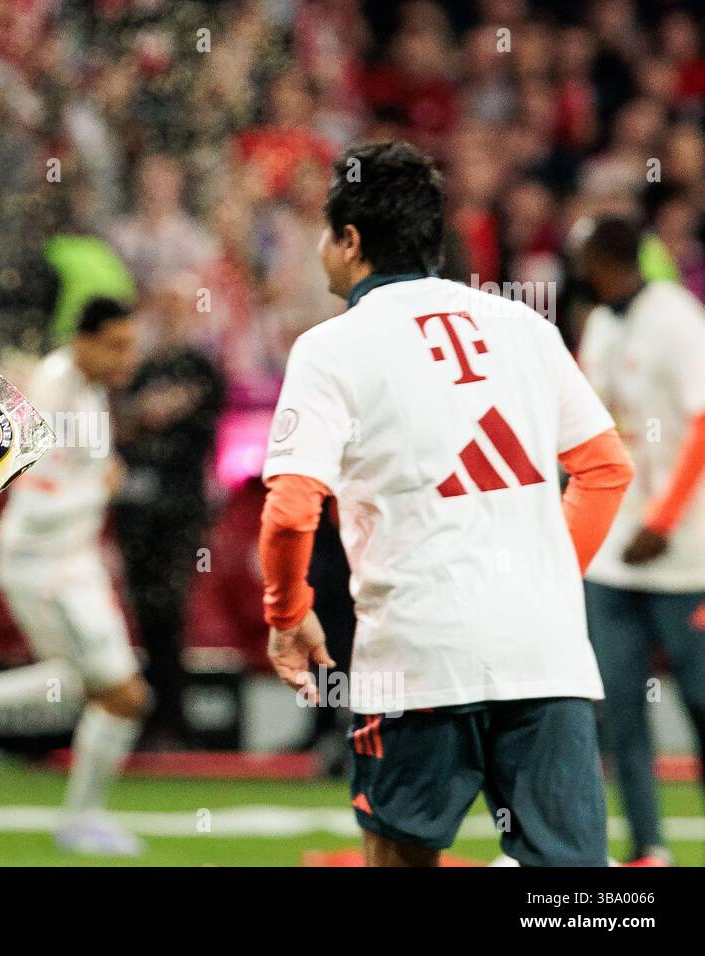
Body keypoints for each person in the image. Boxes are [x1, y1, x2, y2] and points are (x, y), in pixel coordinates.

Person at [259, 142, 634, 867]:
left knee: (399, 860)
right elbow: (605, 469)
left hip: (417, 655)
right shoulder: (525, 326)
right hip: (544, 652)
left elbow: (292, 506)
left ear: (351, 241)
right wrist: (549, 578)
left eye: (323, 233)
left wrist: (284, 614)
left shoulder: (331, 348)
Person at [0, 297, 150, 856]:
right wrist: (100, 488)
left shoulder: (90, 390)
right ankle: (80, 820)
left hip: (69, 562)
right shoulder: (53, 393)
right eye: (117, 345)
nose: (130, 358)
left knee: (78, 684)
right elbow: (27, 495)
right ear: (84, 341)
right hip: (46, 566)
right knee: (124, 695)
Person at [574, 214, 705, 867]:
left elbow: (704, 424)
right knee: (621, 709)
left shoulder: (677, 318)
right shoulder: (599, 327)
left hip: (684, 556)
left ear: (606, 258)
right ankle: (648, 846)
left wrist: (665, 521)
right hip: (613, 552)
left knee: (703, 701)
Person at [112, 273, 225, 747]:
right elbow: (121, 421)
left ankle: (170, 720)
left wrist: (148, 414)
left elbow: (174, 411)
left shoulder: (199, 367)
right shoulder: (136, 370)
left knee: (170, 612)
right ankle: (150, 718)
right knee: (142, 615)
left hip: (178, 510)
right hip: (138, 510)